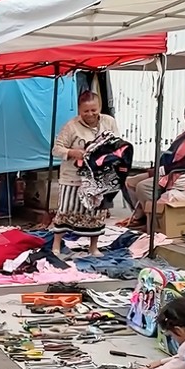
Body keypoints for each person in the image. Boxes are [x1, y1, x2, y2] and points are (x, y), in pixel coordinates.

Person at [124, 105, 185, 228]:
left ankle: (156, 222)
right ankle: (142, 217)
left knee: (143, 187)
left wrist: (162, 170)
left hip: (179, 175)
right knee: (129, 182)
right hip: (167, 170)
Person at [50, 90, 119, 257]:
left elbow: (117, 143)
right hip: (73, 177)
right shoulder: (71, 126)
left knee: (96, 213)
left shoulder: (109, 122)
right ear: (79, 110)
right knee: (66, 210)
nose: (90, 114)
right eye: (85, 111)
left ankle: (93, 247)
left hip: (99, 177)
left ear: (99, 107)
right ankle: (56, 246)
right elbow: (56, 149)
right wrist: (74, 152)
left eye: (93, 110)